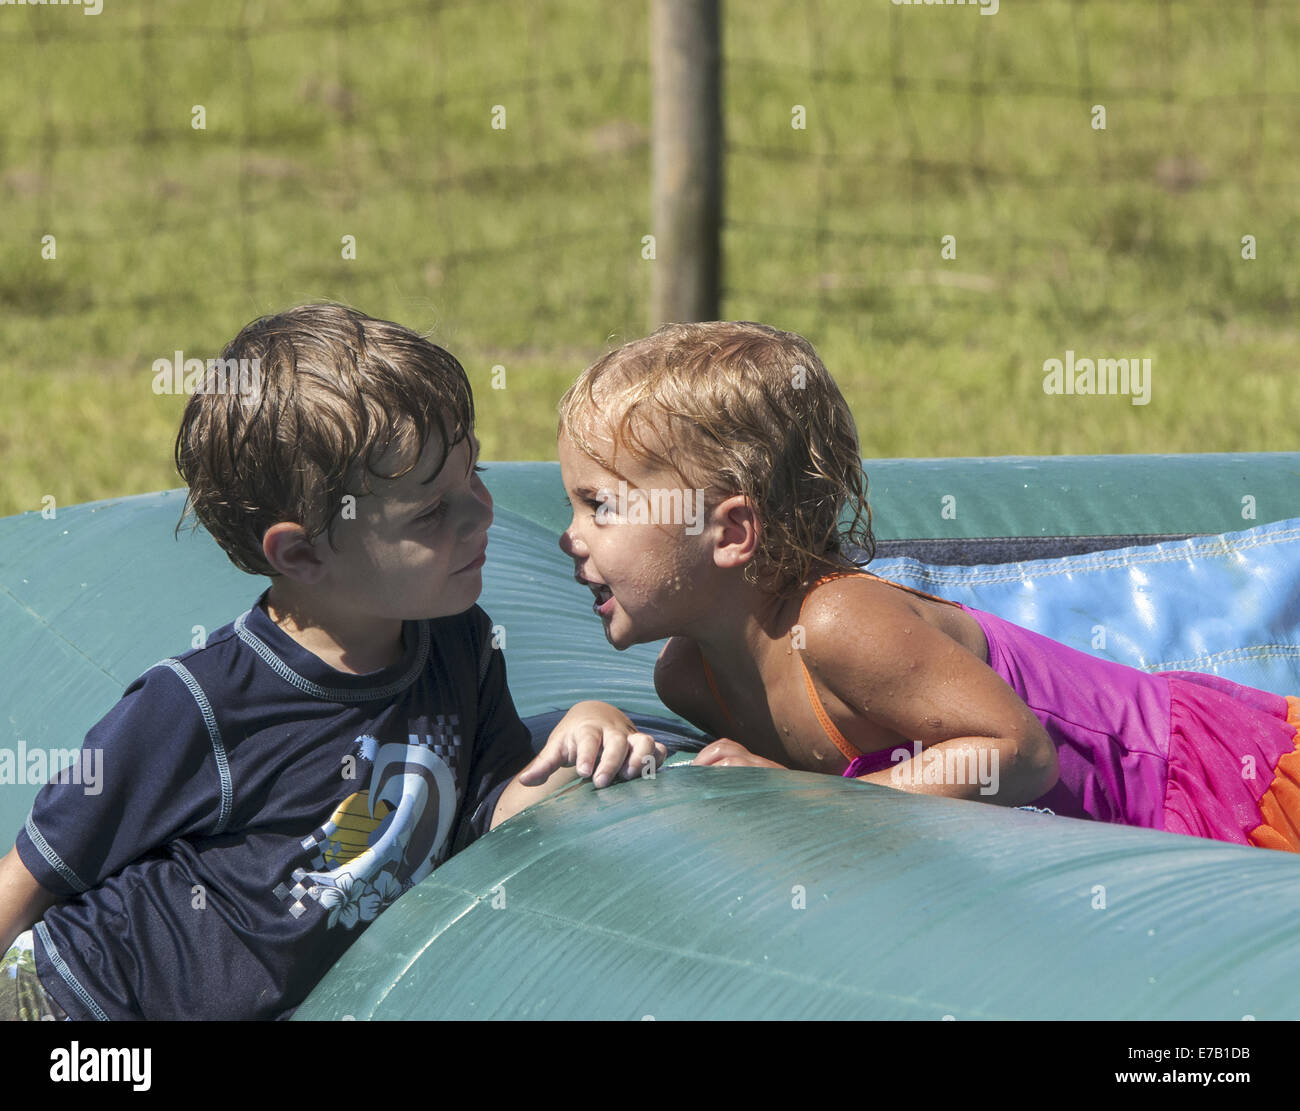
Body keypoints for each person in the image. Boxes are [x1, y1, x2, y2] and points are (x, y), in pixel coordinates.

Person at [0, 303, 663, 1021]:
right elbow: (34, 872)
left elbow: (492, 812)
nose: (481, 514)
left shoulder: (459, 645)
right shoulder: (206, 702)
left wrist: (587, 727)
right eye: (430, 513)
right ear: (304, 553)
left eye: (474, 474)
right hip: (76, 997)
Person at [556, 319, 1300, 853]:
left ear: (730, 532)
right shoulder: (690, 677)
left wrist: (815, 802)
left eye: (601, 506)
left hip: (1207, 783)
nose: (570, 534)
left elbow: (1018, 752)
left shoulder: (839, 619)